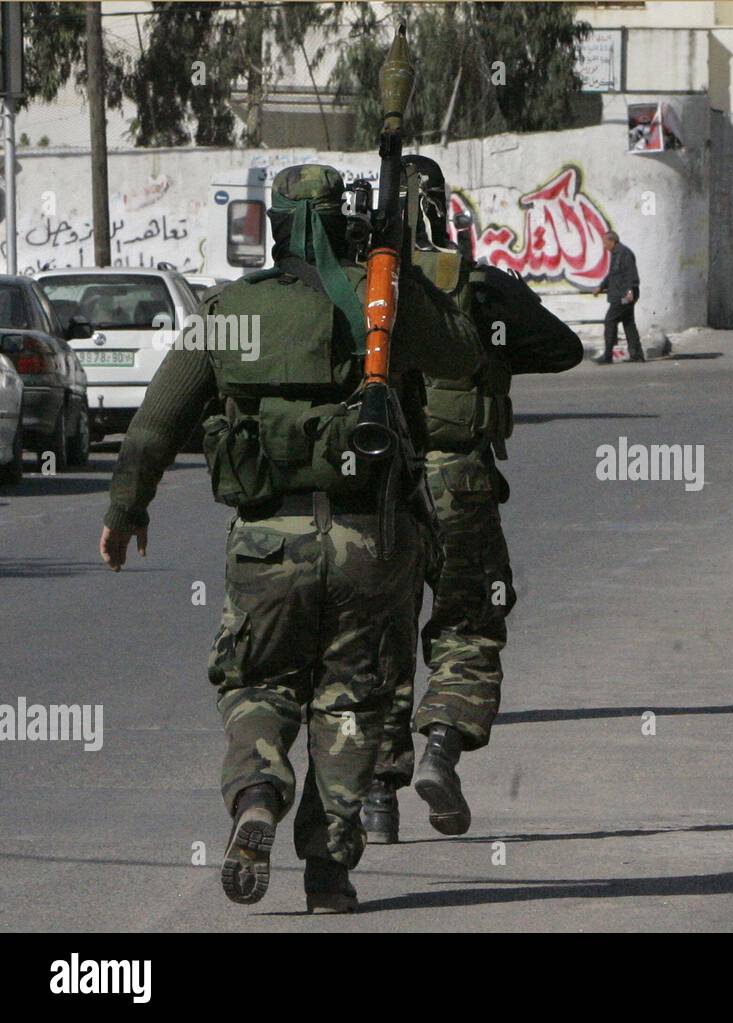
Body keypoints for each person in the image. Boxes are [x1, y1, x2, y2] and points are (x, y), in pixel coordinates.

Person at [98, 164, 482, 912]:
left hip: (267, 545)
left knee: (257, 684)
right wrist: (399, 271)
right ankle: (330, 874)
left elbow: (152, 427)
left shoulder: (229, 313)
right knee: (351, 704)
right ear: (348, 223)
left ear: (271, 226)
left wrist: (125, 512)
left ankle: (257, 798)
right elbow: (465, 355)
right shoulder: (381, 306)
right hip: (370, 542)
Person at [363, 158, 583, 843]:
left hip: (376, 493)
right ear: (445, 211)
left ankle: (376, 799)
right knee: (469, 627)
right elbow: (564, 346)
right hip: (459, 484)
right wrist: (494, 353)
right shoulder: (481, 289)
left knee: (378, 643)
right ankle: (440, 749)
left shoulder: (358, 296)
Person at [594, 231, 644, 363]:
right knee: (628, 323)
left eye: (605, 243)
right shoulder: (616, 254)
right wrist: (601, 286)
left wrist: (629, 293)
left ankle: (608, 356)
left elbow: (630, 275)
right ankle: (636, 354)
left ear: (612, 241)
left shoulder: (624, 254)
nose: (604, 246)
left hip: (624, 295)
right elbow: (612, 274)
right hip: (620, 294)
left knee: (610, 321)